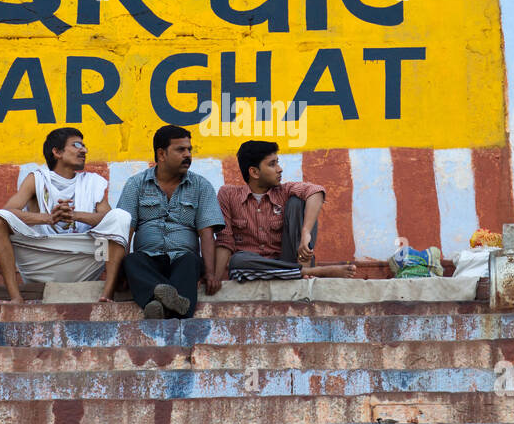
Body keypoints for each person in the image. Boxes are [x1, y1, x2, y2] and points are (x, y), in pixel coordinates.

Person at [0, 127, 130, 302]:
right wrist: (49, 218)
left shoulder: (93, 182)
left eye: (84, 146)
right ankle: (16, 297)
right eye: (77, 145)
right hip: (42, 257)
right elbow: (8, 212)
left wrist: (75, 215)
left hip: (85, 258)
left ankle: (107, 295)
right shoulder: (37, 179)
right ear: (57, 152)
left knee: (121, 217)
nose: (84, 150)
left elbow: (109, 220)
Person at [116, 125, 224, 319]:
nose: (188, 155)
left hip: (183, 259)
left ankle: (155, 302)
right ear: (161, 154)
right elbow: (125, 231)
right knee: (132, 261)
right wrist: (120, 272)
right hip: (147, 259)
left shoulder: (201, 186)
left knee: (191, 261)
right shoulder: (136, 184)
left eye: (189, 149)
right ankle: (170, 300)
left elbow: (206, 234)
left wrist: (210, 273)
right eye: (180, 150)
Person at [214, 140, 357, 281]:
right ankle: (307, 272)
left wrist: (306, 232)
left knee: (298, 201)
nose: (279, 169)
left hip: (289, 261)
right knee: (237, 262)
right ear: (254, 172)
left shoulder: (284, 191)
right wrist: (215, 280)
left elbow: (316, 191)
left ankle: (302, 270)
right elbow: (224, 241)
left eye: (277, 162)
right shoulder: (228, 194)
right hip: (251, 266)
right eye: (272, 164)